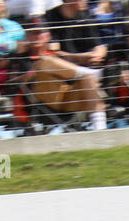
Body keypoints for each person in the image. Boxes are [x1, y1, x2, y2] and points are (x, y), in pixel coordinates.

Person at [44, 0, 107, 129]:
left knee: (87, 78)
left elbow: (99, 45)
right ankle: (100, 128)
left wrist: (98, 53)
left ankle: (100, 129)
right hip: (61, 77)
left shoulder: (85, 16)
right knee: (87, 77)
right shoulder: (50, 17)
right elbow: (54, 54)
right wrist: (81, 58)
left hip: (86, 72)